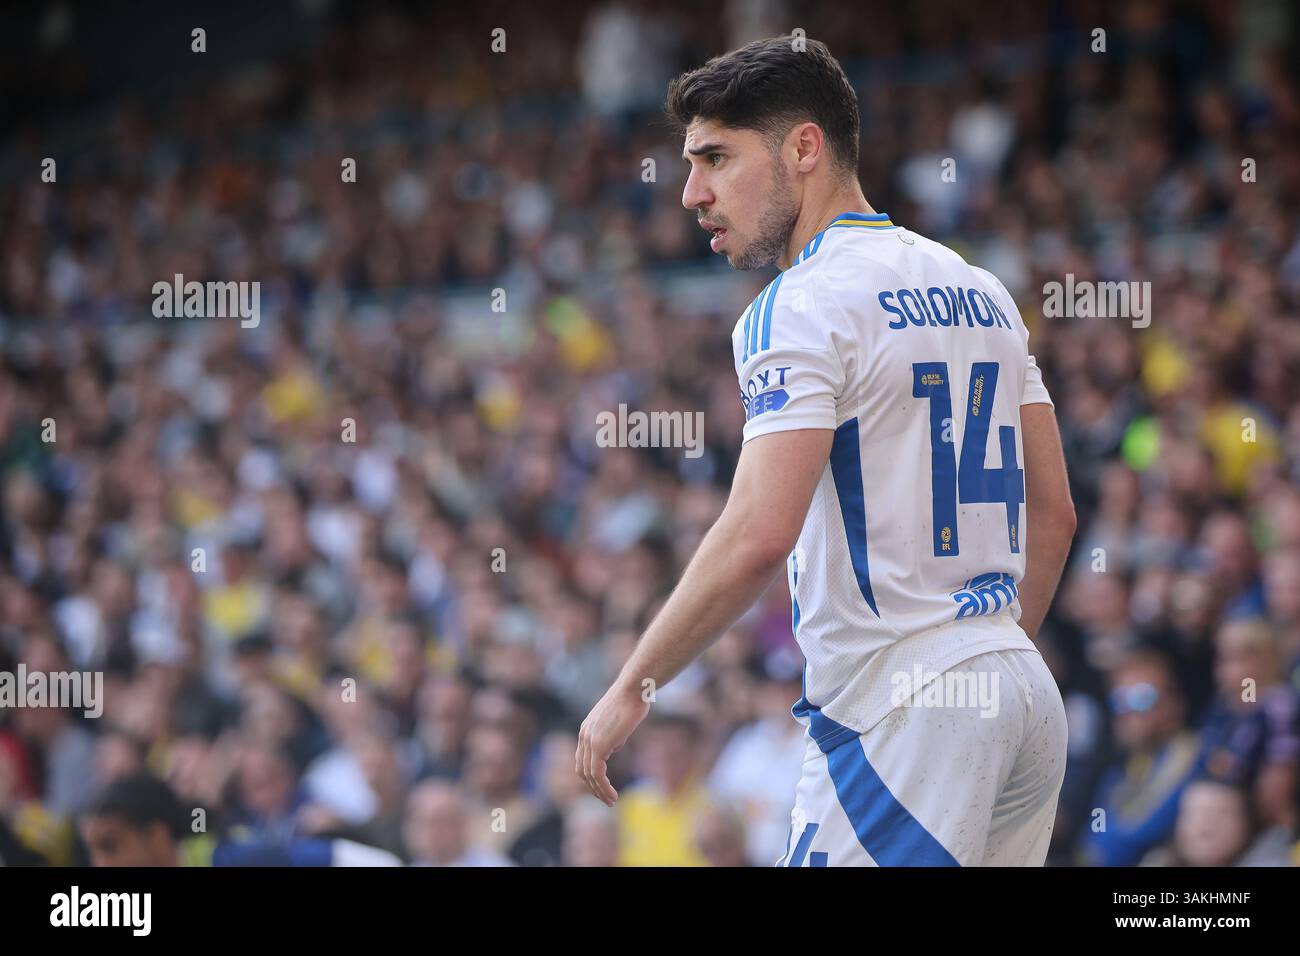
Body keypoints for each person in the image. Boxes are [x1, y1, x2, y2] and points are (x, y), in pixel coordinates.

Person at [577, 35, 1076, 867]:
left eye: (715, 159)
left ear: (804, 148)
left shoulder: (797, 305)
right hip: (1019, 683)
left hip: (899, 710)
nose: (692, 192)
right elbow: (1053, 513)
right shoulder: (981, 289)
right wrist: (983, 661)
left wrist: (633, 685)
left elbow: (757, 533)